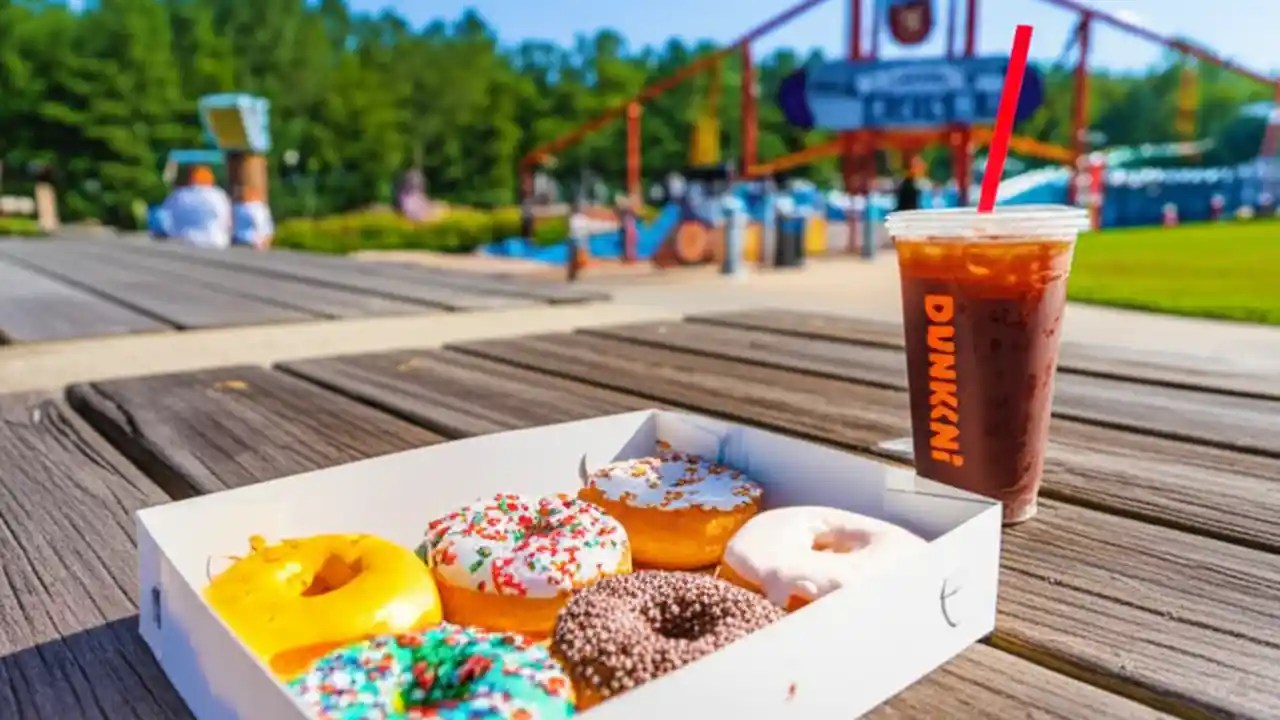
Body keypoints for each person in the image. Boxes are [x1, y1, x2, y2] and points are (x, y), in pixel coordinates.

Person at [159, 165, 232, 249]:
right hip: (215, 241)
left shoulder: (179, 195)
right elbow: (227, 220)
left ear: (191, 179)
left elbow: (163, 217)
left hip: (185, 239)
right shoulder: (218, 195)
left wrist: (172, 232)